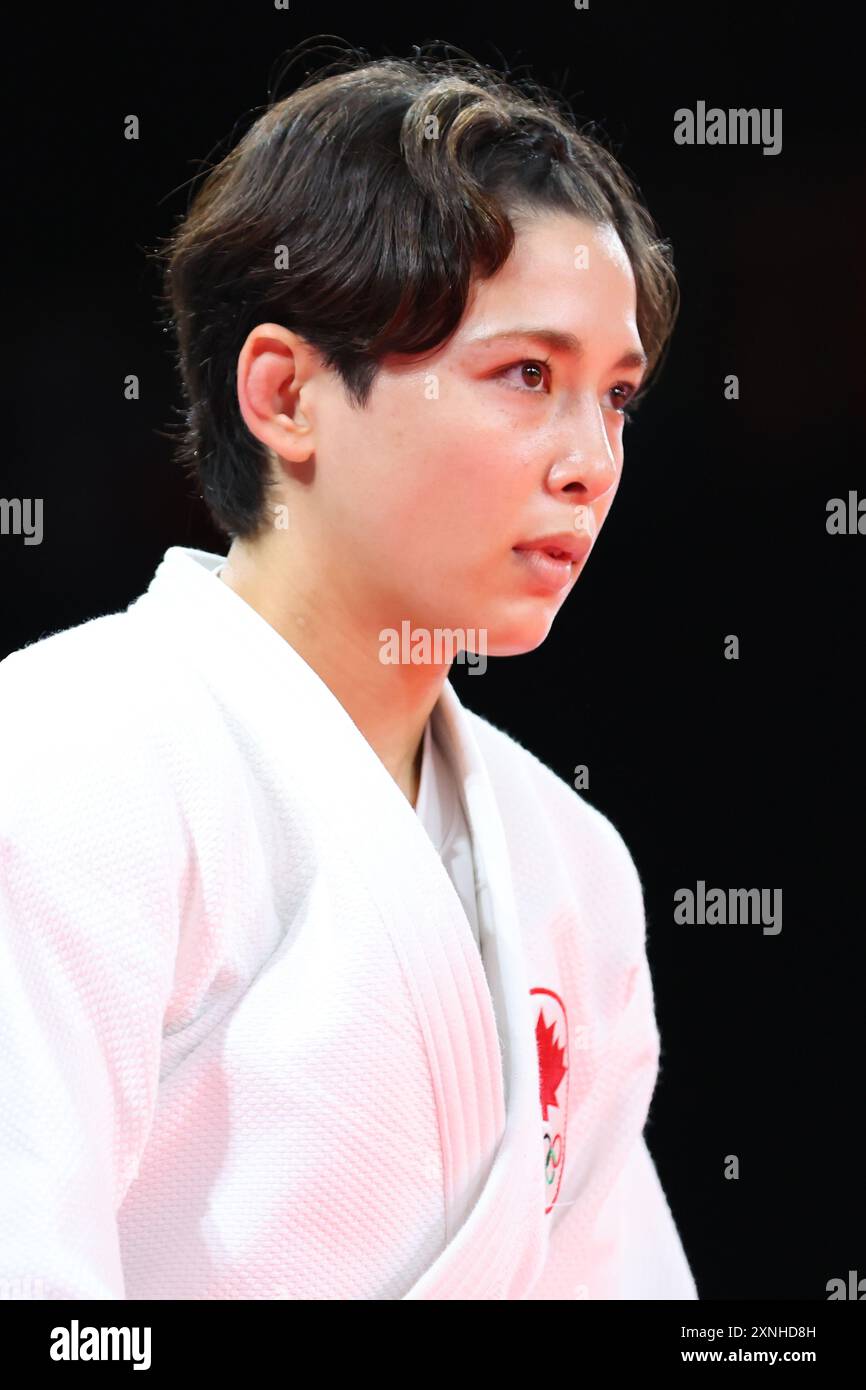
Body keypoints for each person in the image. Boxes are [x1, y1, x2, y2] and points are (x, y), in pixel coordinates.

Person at [0, 45, 697, 1299]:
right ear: (285, 393)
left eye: (617, 400)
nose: (589, 459)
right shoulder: (66, 755)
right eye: (526, 376)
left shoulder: (569, 863)